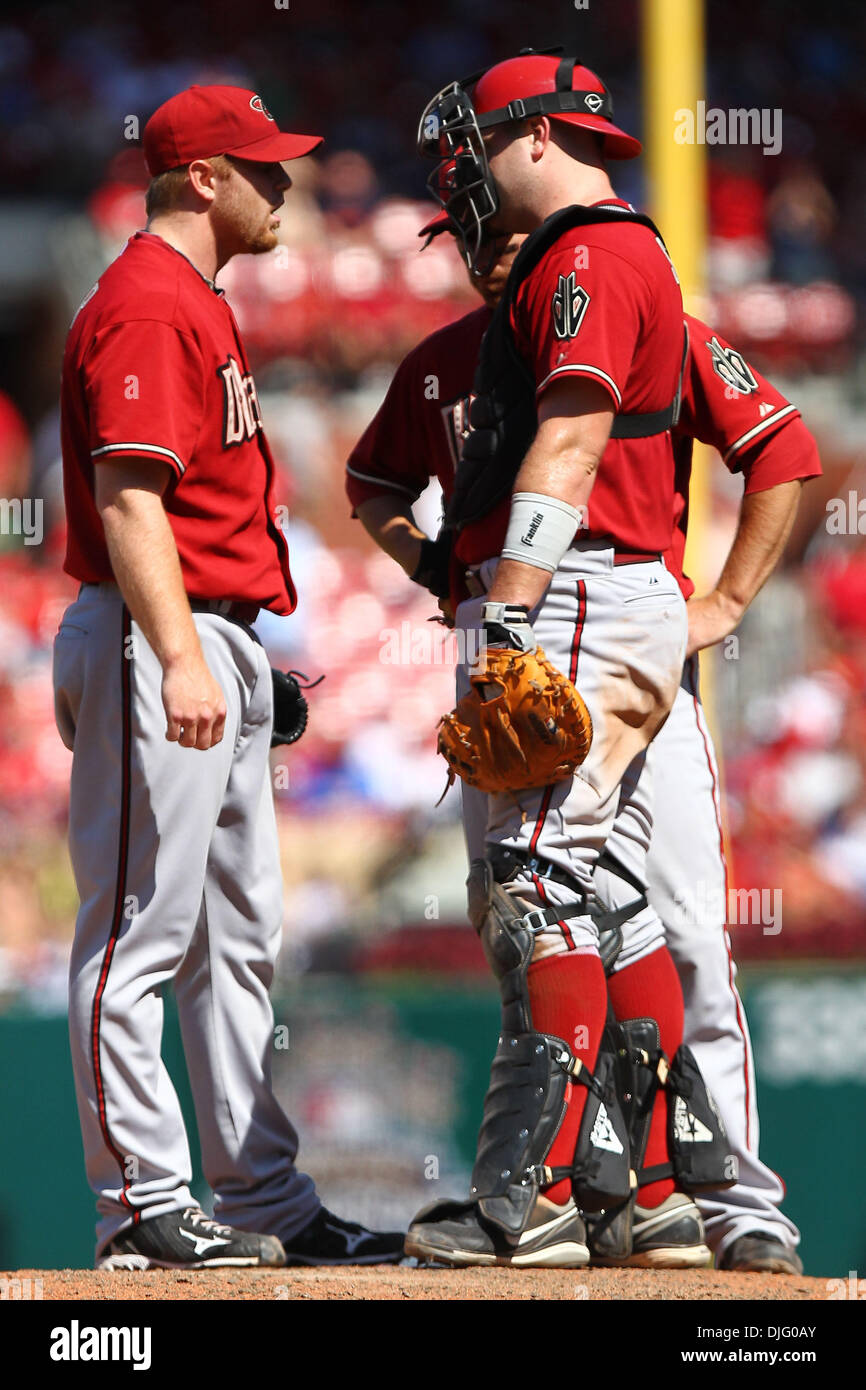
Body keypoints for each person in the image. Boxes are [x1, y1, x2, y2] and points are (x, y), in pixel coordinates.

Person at [351, 51, 813, 1270]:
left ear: (537, 137)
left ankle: (560, 1193)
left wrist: (526, 607)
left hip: (587, 598)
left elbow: (748, 446)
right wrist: (442, 572)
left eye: (475, 160)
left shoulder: (597, 263)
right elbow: (374, 482)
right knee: (606, 905)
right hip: (600, 608)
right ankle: (652, 1186)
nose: (464, 207)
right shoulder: (490, 326)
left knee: (570, 895)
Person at [54, 84, 403, 1270]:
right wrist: (186, 651)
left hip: (212, 630)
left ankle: (259, 1193)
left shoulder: (192, 299)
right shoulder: (149, 303)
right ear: (201, 178)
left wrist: (239, 655)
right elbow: (128, 498)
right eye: (263, 167)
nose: (285, 185)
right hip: (159, 632)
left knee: (240, 937)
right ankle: (144, 1200)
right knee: (136, 934)